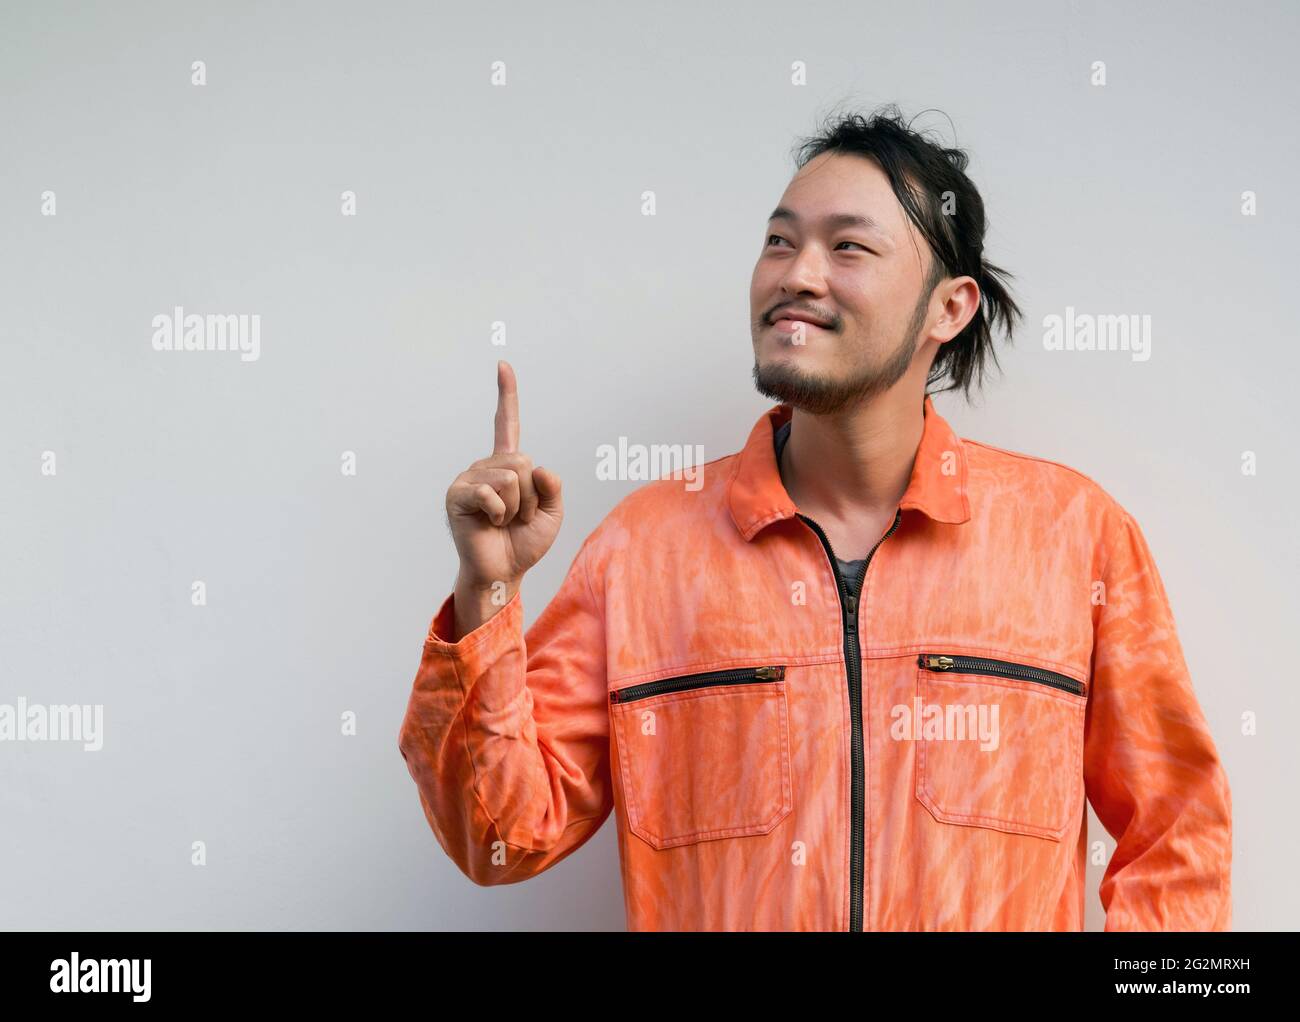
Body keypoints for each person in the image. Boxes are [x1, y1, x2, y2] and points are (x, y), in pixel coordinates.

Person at [397, 106, 1232, 931]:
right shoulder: (644, 551)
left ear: (950, 308)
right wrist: (490, 590)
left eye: (848, 246)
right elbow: (497, 837)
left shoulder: (1071, 538)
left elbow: (1179, 837)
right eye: (779, 240)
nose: (796, 273)